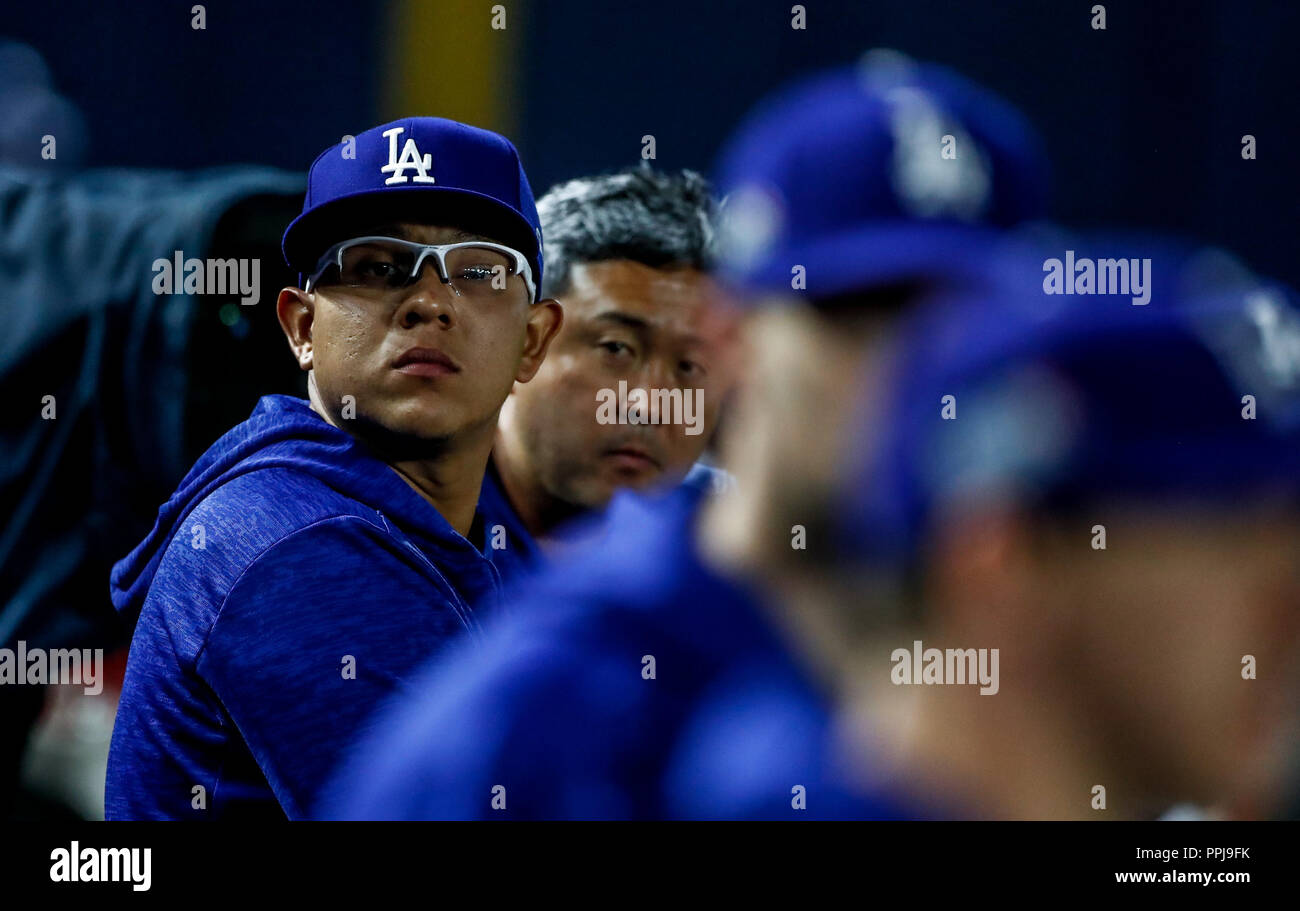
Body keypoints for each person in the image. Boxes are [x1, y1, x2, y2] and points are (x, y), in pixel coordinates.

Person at [316, 52, 1055, 820]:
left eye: (970, 332)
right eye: (863, 326)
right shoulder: (548, 701)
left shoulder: (1043, 655)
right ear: (735, 338)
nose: (926, 376)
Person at [105, 116, 562, 819]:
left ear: (533, 340)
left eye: (476, 270)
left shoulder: (481, 520)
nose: (429, 302)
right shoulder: (287, 542)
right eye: (378, 267)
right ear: (300, 328)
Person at [490, 167, 736, 552]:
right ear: (524, 342)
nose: (651, 405)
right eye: (616, 349)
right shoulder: (397, 529)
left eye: (688, 366)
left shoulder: (734, 550)